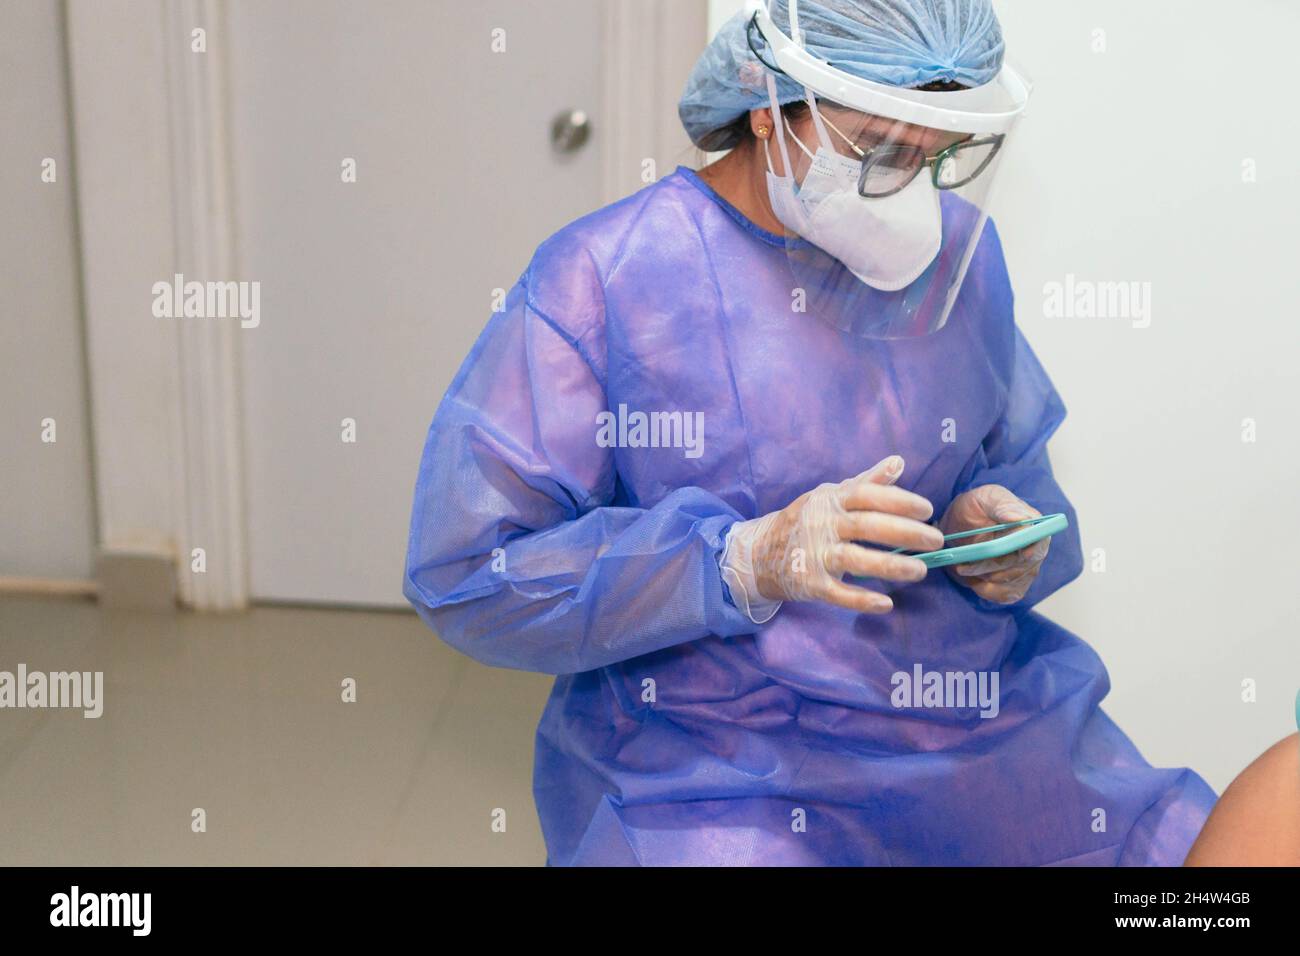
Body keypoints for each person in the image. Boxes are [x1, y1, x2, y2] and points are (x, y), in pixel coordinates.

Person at [405, 0, 1290, 865]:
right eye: (880, 152)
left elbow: (1025, 481)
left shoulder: (958, 258)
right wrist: (738, 560)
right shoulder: (606, 277)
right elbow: (472, 573)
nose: (910, 192)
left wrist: (1002, 539)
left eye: (936, 158)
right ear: (767, 109)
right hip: (715, 759)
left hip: (971, 731)